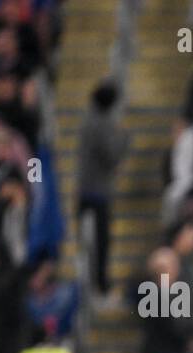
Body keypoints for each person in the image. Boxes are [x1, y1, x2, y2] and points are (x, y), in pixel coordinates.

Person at [77, 79, 128, 295]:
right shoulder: (102, 124)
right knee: (100, 243)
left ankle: (91, 283)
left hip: (84, 190)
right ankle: (99, 284)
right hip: (98, 193)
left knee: (89, 241)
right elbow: (111, 155)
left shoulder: (88, 121)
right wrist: (124, 138)